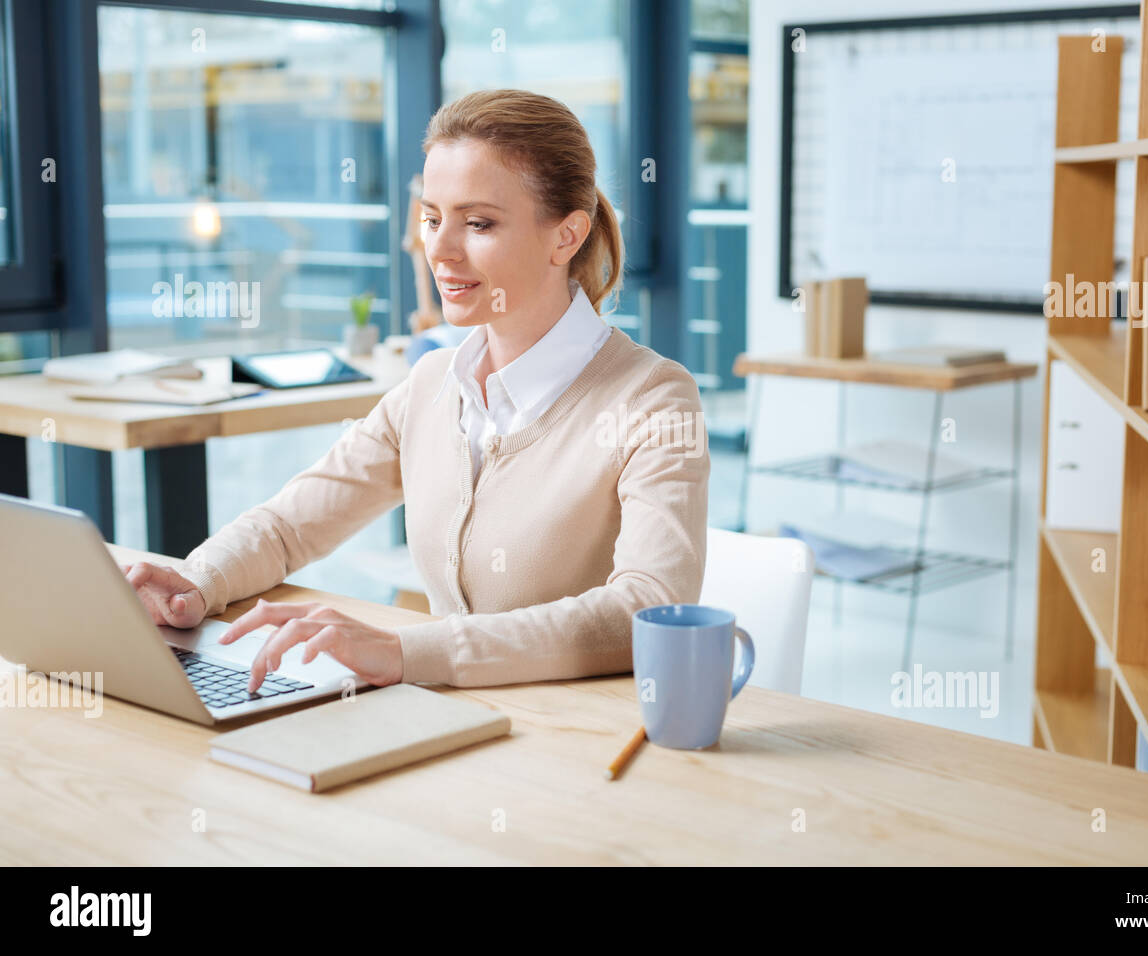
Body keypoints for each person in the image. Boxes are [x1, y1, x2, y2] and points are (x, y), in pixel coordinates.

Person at [121, 89, 710, 694]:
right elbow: (289, 527)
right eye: (433, 219)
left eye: (478, 223)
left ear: (566, 237)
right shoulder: (433, 382)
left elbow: (649, 608)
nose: (441, 250)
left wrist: (406, 651)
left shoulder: (653, 399)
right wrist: (196, 581)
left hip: (577, 748)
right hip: (444, 724)